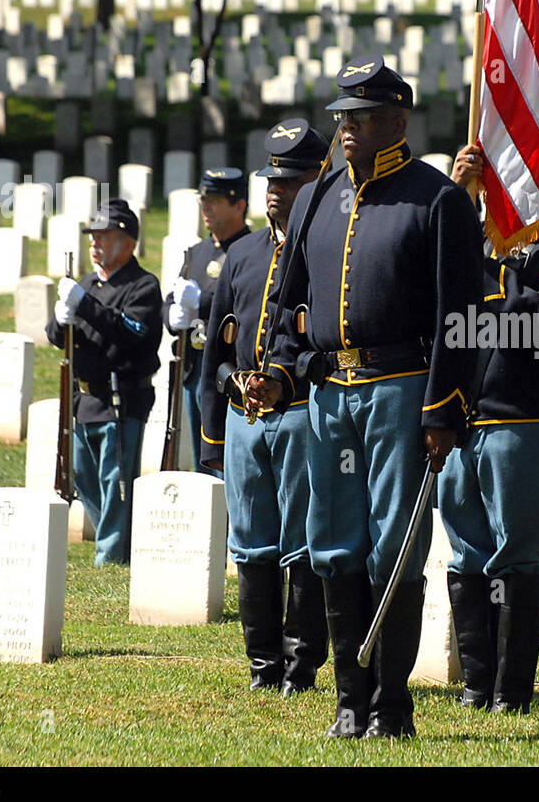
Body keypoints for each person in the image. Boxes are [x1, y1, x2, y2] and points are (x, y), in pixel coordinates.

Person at [280, 55, 484, 739]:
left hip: (402, 389)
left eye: (362, 119)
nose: (346, 130)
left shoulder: (437, 199)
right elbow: (289, 304)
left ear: (397, 120)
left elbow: (462, 316)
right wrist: (286, 369)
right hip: (331, 392)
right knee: (333, 544)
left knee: (392, 545)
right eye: (342, 118)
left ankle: (391, 706)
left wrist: (442, 407)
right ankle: (349, 699)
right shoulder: (315, 197)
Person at [443, 145, 539, 713]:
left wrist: (510, 260)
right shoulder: (468, 246)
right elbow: (436, 298)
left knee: (518, 553)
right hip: (461, 417)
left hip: (522, 415)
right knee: (466, 551)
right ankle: (476, 685)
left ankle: (511, 691)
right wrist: (461, 203)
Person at [199, 121, 328, 694]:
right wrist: (223, 406)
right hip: (244, 417)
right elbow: (217, 348)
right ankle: (262, 665)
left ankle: (300, 669)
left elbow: (323, 339)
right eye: (271, 180)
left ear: (316, 182)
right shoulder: (243, 254)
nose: (277, 190)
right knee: (251, 543)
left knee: (301, 542)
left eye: (291, 180)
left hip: (300, 413)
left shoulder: (327, 252)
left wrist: (281, 377)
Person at [46, 199, 162, 566]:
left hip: (121, 398)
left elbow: (132, 332)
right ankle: (113, 543)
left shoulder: (142, 286)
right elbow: (55, 336)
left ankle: (111, 556)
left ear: (128, 243)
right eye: (93, 238)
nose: (94, 244)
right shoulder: (88, 284)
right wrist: (60, 317)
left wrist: (84, 305)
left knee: (116, 481)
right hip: (86, 400)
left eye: (104, 237)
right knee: (85, 477)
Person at [163, 168, 252, 472]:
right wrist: (173, 315)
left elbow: (243, 303)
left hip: (227, 368)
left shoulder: (249, 250)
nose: (206, 208)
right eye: (203, 200)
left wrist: (200, 303)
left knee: (224, 456)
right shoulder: (198, 252)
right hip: (194, 366)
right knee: (202, 455)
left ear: (239, 205)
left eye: (214, 201)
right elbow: (172, 298)